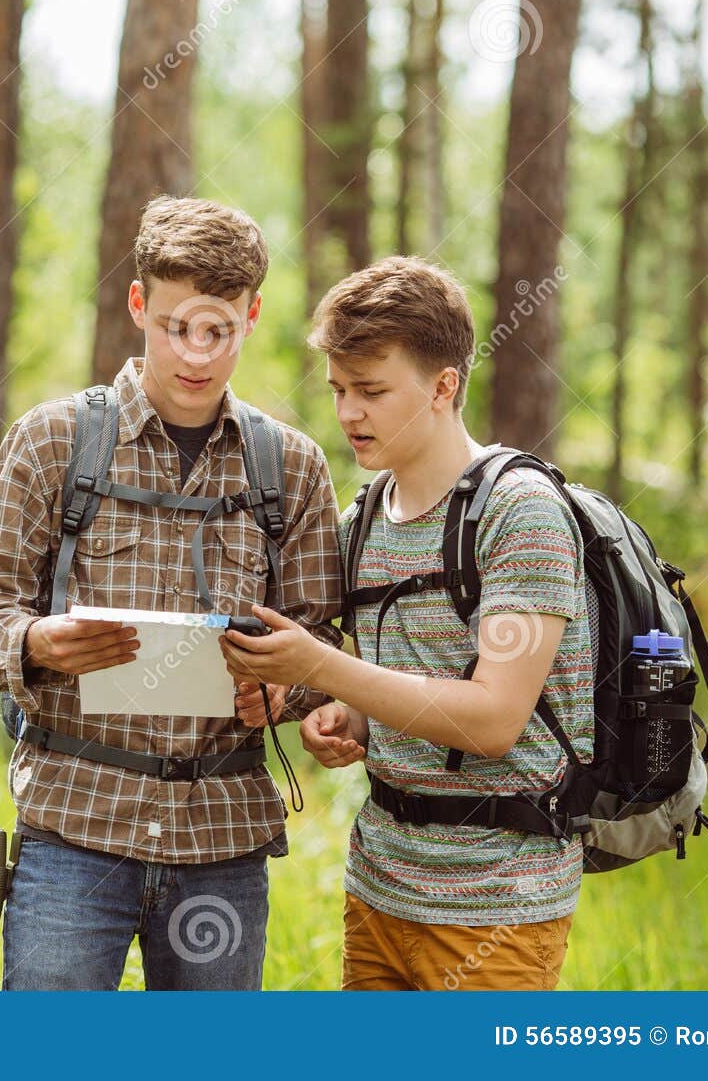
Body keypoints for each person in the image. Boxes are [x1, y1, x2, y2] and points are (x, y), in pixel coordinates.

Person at [0, 196, 343, 990]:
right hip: (73, 826)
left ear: (252, 316)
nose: (195, 355)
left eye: (218, 331)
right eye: (174, 327)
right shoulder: (54, 441)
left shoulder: (291, 468)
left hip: (221, 842)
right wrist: (35, 642)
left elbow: (322, 643)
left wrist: (285, 691)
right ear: (138, 305)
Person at [220, 256, 593, 990]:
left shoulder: (521, 513)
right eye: (337, 390)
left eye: (372, 390)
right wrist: (349, 715)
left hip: (498, 910)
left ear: (444, 385)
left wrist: (321, 669)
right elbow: (406, 679)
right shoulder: (363, 518)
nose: (348, 412)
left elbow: (492, 720)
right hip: (379, 892)